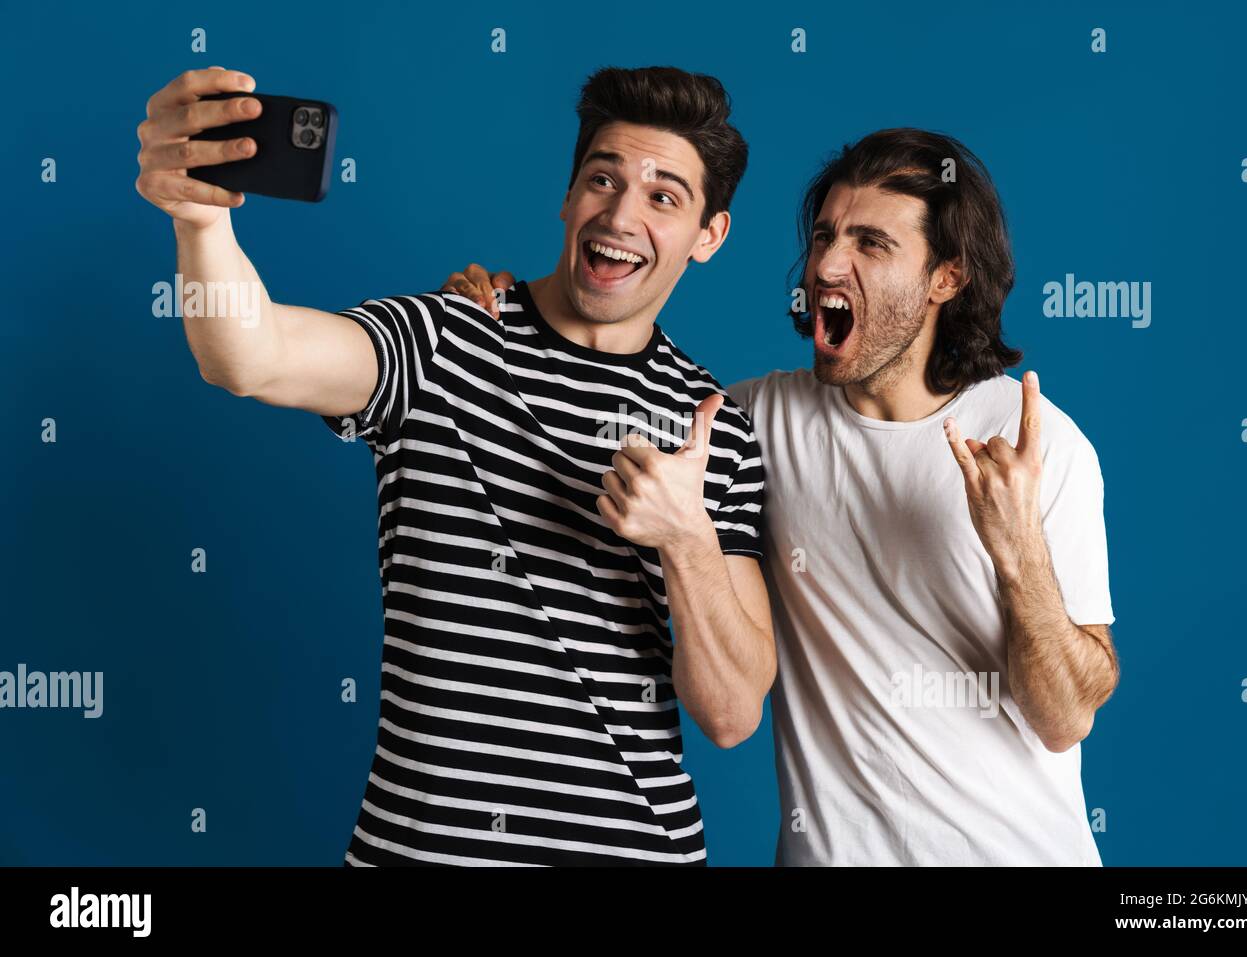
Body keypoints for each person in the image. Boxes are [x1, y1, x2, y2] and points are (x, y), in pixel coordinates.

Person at [134, 64, 775, 866]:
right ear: (569, 195)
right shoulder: (446, 337)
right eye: (602, 178)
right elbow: (250, 355)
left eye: (663, 197)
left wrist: (686, 539)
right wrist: (199, 223)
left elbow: (731, 715)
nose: (620, 214)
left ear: (709, 235)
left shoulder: (715, 427)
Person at [446, 127, 1120, 866]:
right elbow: (605, 382)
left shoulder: (1034, 444)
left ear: (946, 277)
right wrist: (514, 317)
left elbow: (1063, 717)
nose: (827, 263)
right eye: (826, 236)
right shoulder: (749, 425)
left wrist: (1019, 552)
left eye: (871, 243)